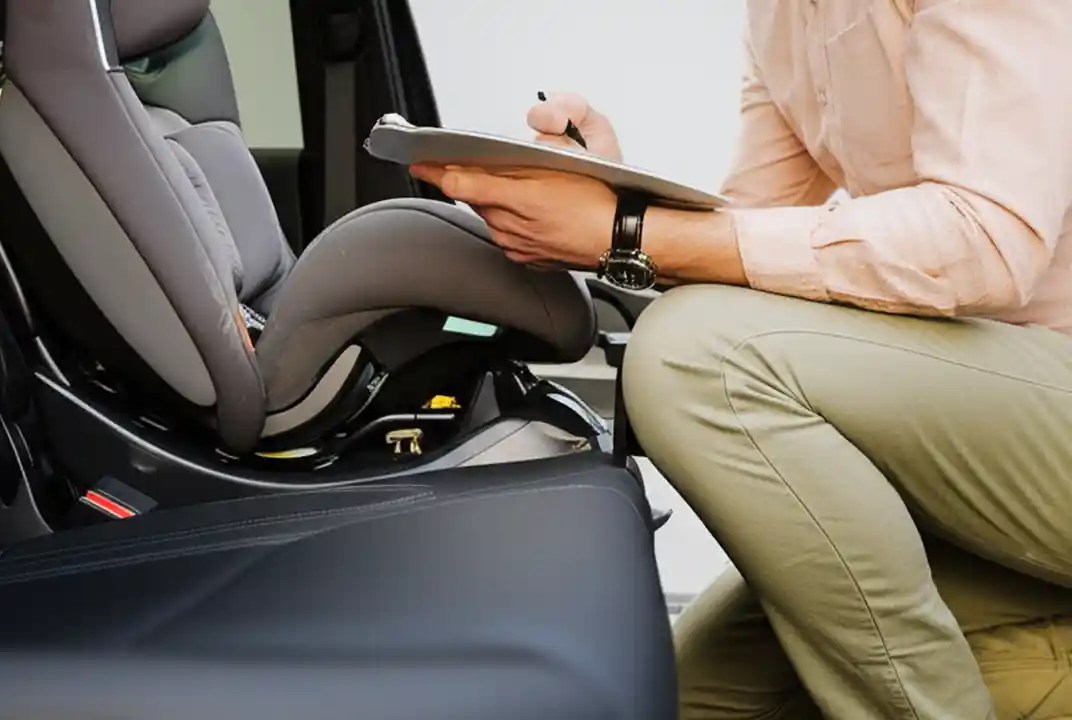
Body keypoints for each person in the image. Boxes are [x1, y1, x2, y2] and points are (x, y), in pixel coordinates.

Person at [409, 2, 1072, 718]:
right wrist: (615, 198)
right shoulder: (780, 14)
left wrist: (627, 232)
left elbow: (986, 240)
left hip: (1043, 396)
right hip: (981, 431)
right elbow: (746, 248)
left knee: (696, 360)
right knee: (688, 697)